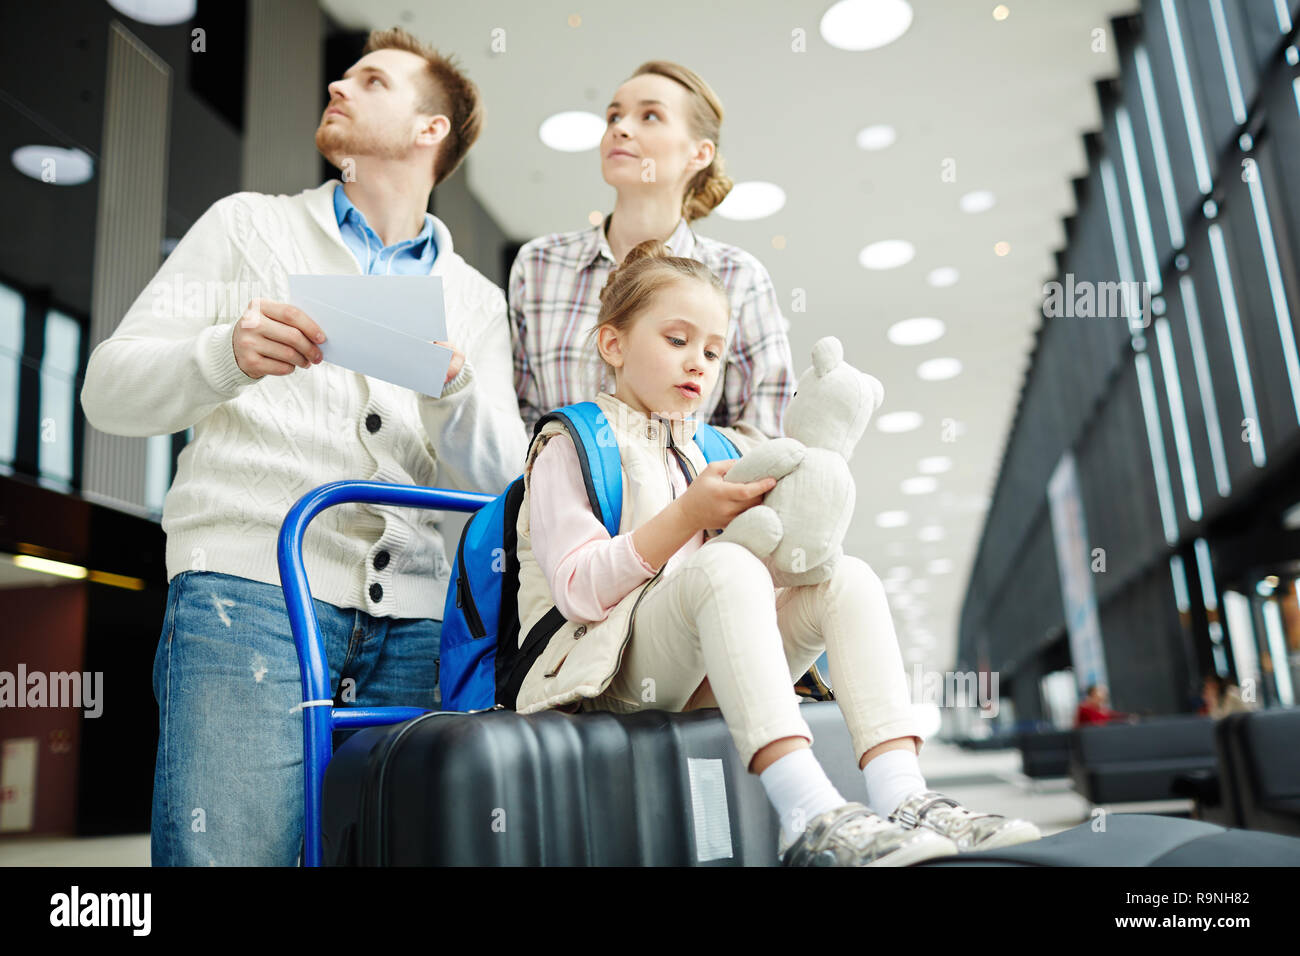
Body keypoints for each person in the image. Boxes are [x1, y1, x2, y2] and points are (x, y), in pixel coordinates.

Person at [80, 27, 527, 866]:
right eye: (343, 74)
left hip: (415, 626)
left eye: (372, 79)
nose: (338, 85)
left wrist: (457, 393)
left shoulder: (476, 302)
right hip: (249, 596)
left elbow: (504, 484)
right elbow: (107, 391)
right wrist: (223, 354)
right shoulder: (248, 229)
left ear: (432, 130)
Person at [511, 239, 1042, 866]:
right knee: (728, 565)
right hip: (602, 670)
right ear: (614, 345)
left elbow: (746, 575)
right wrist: (690, 517)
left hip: (703, 665)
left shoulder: (715, 449)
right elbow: (578, 589)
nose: (699, 364)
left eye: (712, 351)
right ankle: (810, 811)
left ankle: (904, 794)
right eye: (676, 340)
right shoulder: (568, 443)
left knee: (846, 578)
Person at [508, 60, 795, 451]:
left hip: (693, 507)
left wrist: (669, 477)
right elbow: (518, 420)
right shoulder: (539, 264)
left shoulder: (739, 277)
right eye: (613, 115)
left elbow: (764, 436)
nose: (619, 128)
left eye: (650, 115)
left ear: (699, 153)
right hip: (556, 504)